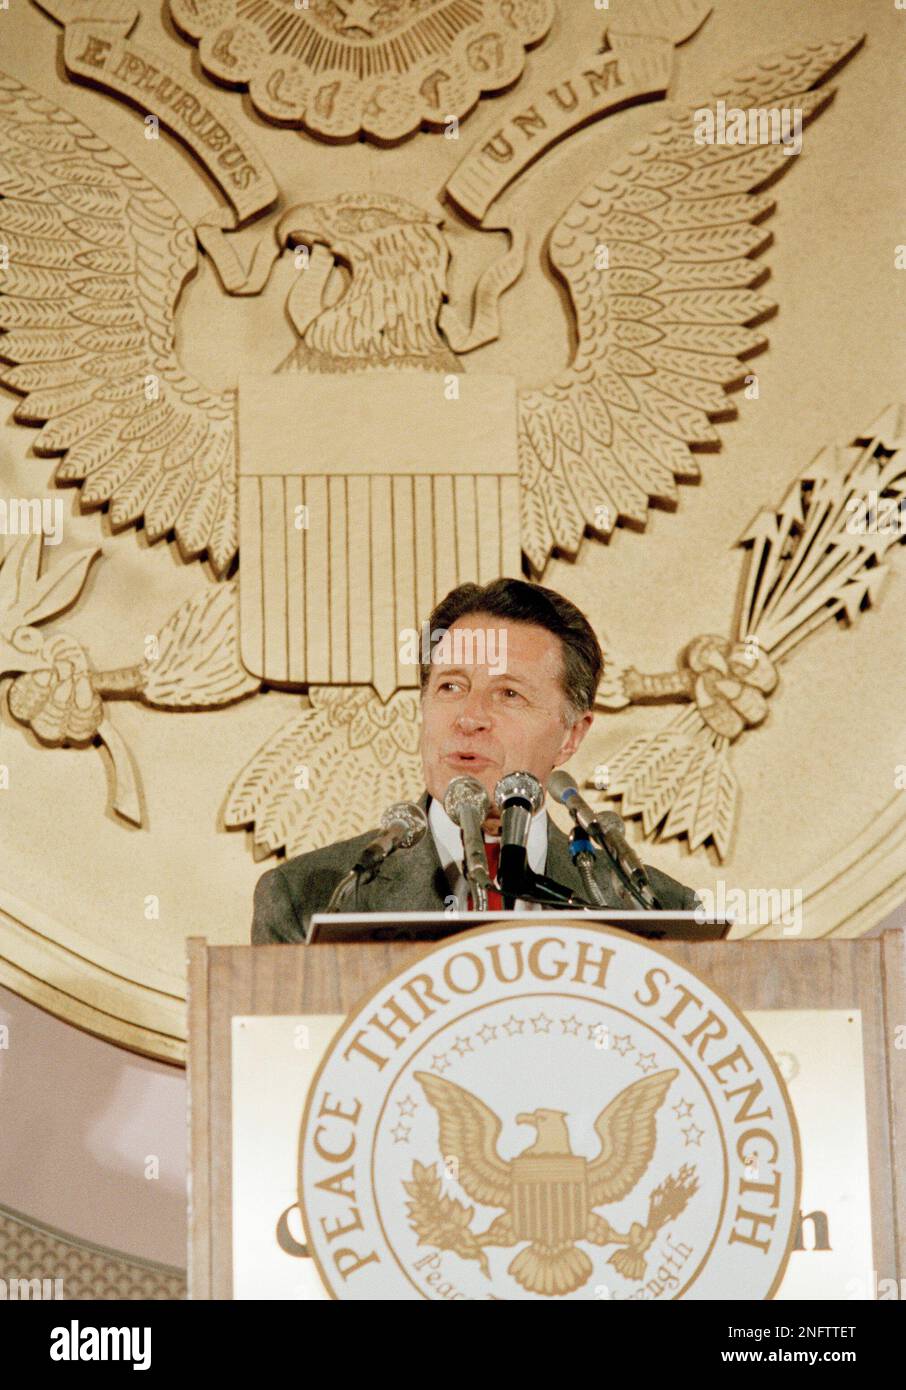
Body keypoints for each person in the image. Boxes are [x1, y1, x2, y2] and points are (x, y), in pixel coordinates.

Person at [251, 578, 698, 943]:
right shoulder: (309, 897)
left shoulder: (655, 910)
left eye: (509, 694)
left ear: (571, 736)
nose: (469, 718)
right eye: (450, 686)